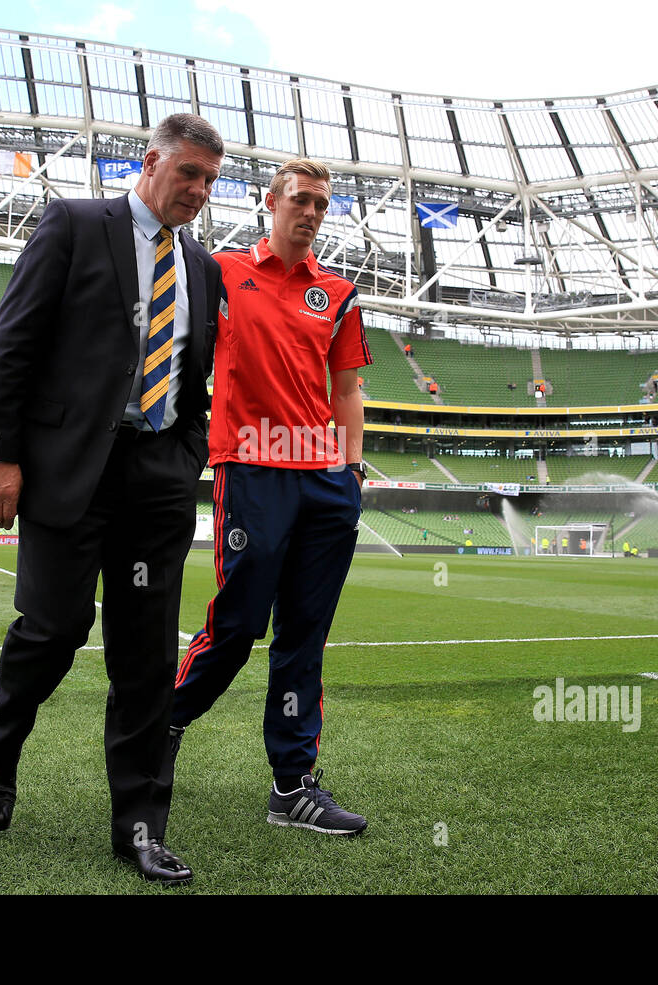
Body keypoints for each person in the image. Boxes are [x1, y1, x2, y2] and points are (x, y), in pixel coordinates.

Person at [0, 113, 224, 886]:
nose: (200, 193)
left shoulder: (203, 269)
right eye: (190, 175)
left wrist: (187, 459)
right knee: (53, 627)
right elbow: (12, 343)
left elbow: (193, 377)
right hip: (68, 469)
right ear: (152, 163)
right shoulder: (76, 225)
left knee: (146, 657)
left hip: (158, 480)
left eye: (211, 183)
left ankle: (140, 826)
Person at [171, 158, 372, 838]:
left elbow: (346, 391)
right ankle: (164, 722)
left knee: (304, 637)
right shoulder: (222, 271)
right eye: (302, 199)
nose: (312, 212)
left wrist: (350, 474)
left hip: (325, 482)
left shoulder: (338, 293)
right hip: (251, 470)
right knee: (237, 625)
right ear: (271, 202)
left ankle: (291, 786)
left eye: (322, 203)